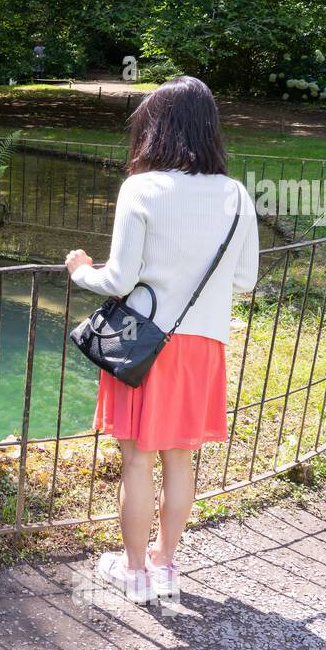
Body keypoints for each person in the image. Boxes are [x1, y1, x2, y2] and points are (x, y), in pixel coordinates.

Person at [65, 76, 259, 604]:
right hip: (203, 347)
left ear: (157, 130)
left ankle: (132, 574)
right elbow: (245, 280)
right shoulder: (236, 194)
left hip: (145, 345)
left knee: (136, 460)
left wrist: (80, 270)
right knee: (179, 459)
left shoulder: (142, 188)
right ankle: (164, 566)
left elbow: (119, 280)